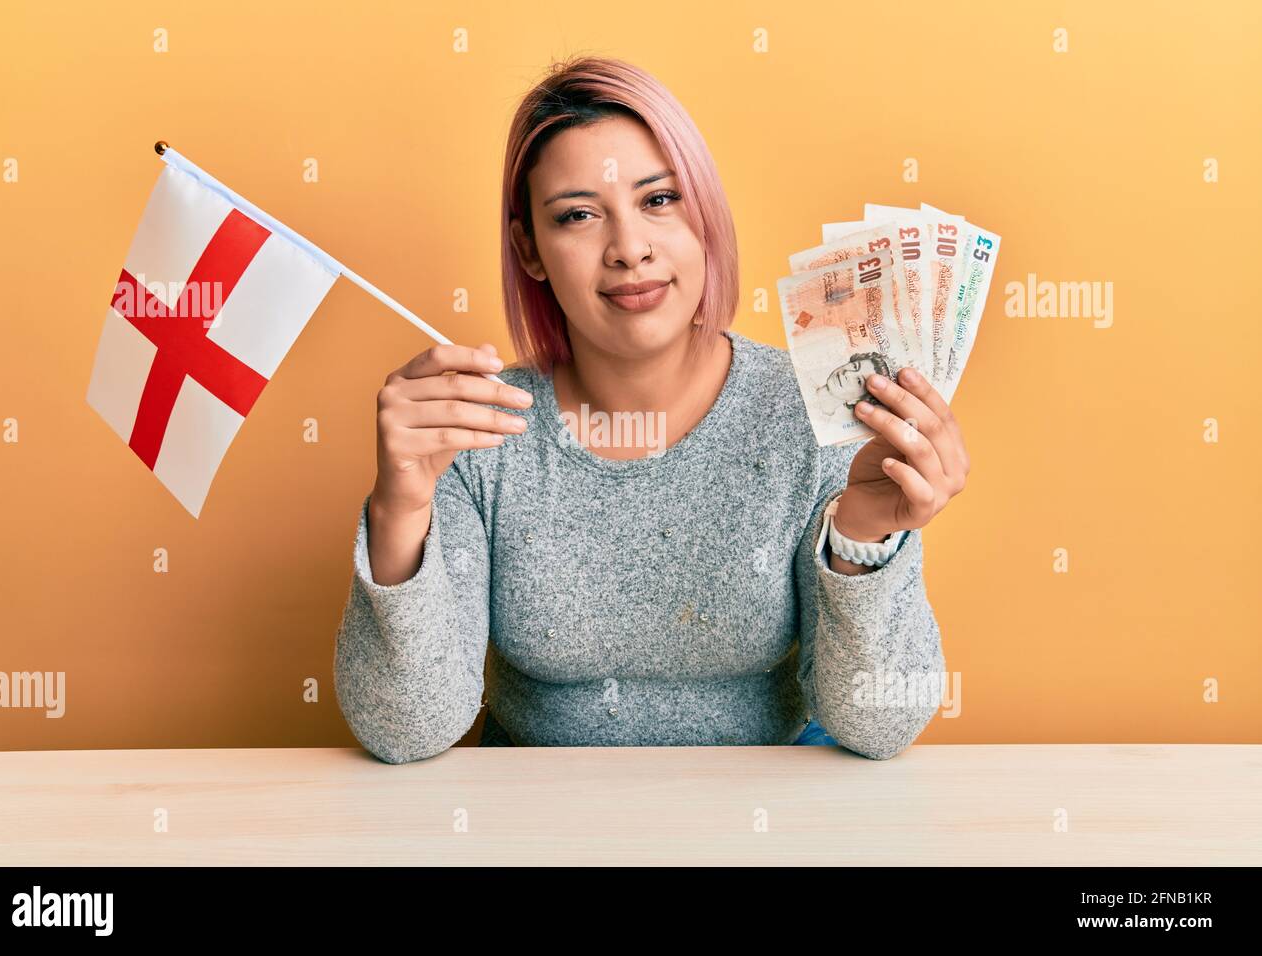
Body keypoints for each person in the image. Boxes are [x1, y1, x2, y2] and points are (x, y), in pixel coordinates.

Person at [333, 56, 968, 763]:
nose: (630, 250)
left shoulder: (814, 413)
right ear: (530, 249)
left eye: (659, 200)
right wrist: (398, 510)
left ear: (705, 215)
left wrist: (864, 542)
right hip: (532, 824)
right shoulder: (476, 431)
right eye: (577, 215)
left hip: (764, 823)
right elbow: (404, 732)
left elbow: (881, 727)